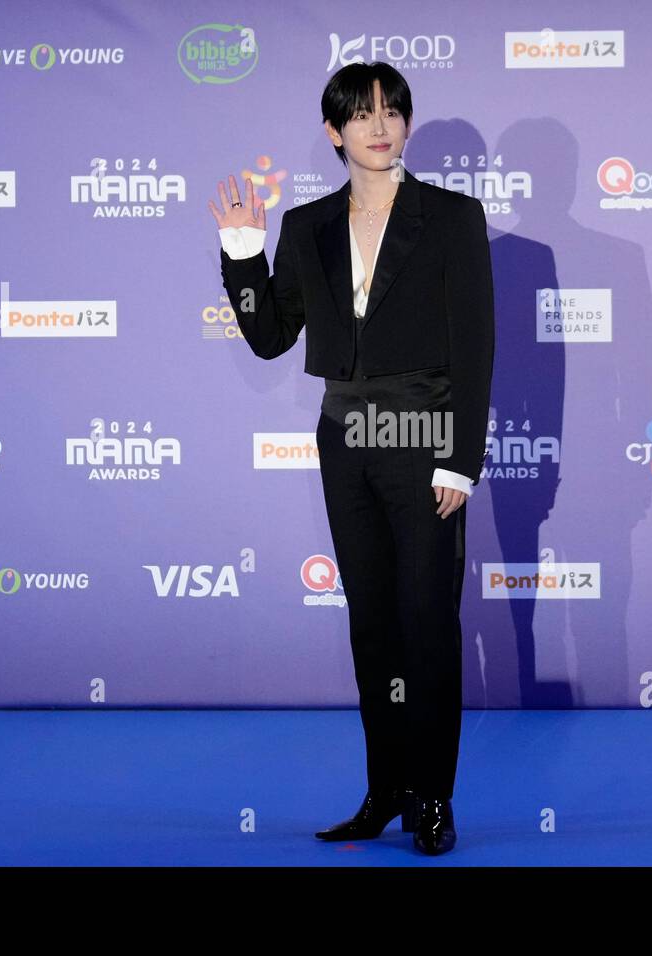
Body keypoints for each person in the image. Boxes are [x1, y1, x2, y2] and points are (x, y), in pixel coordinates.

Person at [209, 61, 494, 855]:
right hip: (347, 444)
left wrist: (459, 459)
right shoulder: (304, 228)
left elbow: (476, 349)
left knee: (427, 623)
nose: (380, 125)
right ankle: (387, 790)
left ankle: (433, 800)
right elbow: (270, 339)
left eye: (392, 111)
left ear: (405, 123)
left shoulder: (451, 217)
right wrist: (242, 256)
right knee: (372, 627)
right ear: (334, 132)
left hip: (425, 442)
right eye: (362, 114)